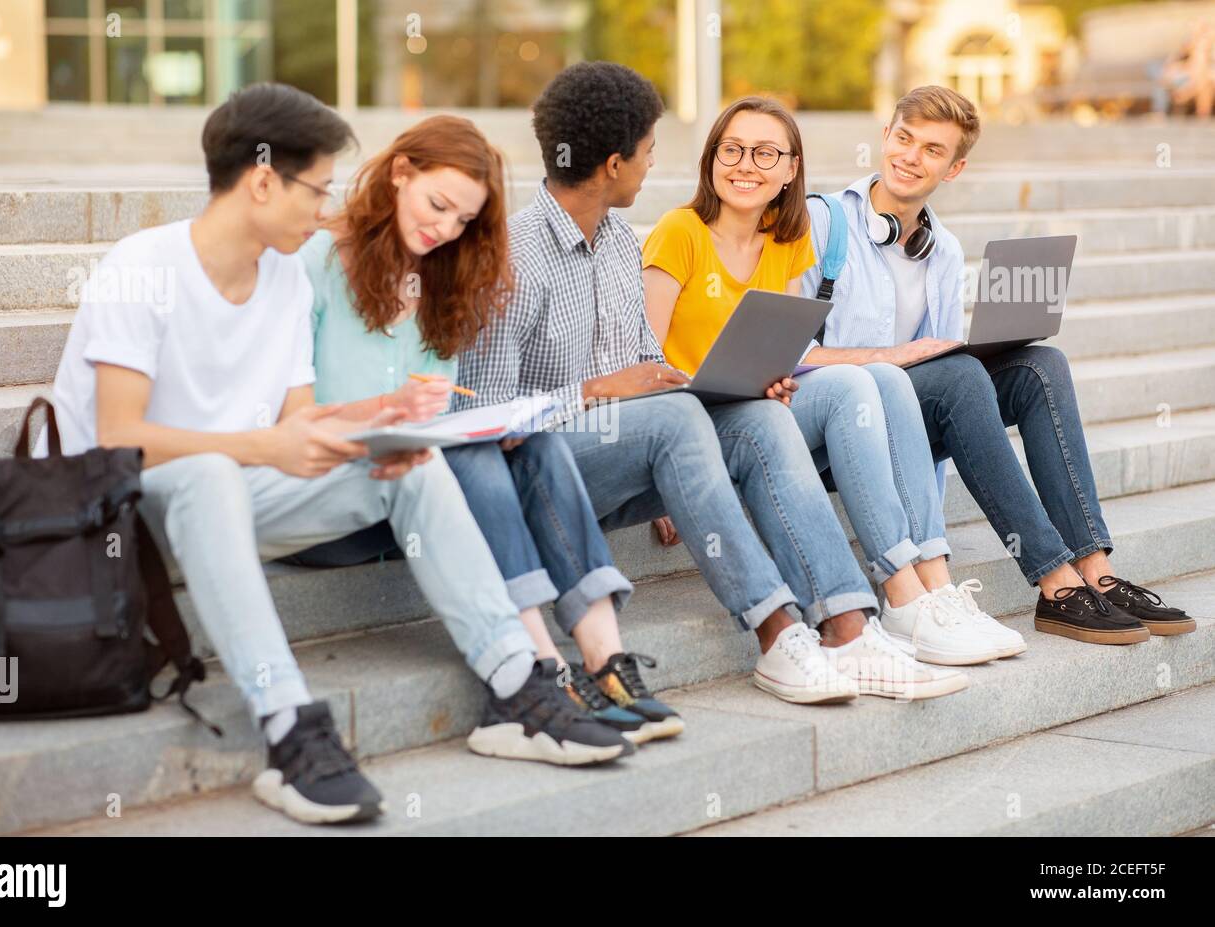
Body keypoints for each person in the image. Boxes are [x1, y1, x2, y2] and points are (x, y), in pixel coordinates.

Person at [46, 84, 630, 828]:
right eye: (316, 187)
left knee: (411, 468)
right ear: (262, 180)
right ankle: (290, 725)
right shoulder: (144, 266)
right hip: (124, 504)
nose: (326, 209)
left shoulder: (285, 275)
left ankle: (516, 685)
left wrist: (380, 426)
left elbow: (300, 421)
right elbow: (115, 440)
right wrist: (265, 446)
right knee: (209, 476)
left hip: (241, 492)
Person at [457, 62, 969, 704]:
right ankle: (777, 631)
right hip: (546, 464)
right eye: (646, 153)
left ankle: (846, 627)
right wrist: (595, 393)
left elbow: (652, 370)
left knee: (759, 416)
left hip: (634, 447)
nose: (652, 166)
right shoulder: (510, 255)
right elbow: (480, 415)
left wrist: (737, 386)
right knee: (679, 420)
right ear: (614, 163)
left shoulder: (619, 241)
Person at [287, 114, 682, 745]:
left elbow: (440, 412)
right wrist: (389, 409)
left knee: (534, 440)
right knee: (471, 460)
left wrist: (486, 423)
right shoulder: (314, 265)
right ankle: (539, 674)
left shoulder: (441, 277)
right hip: (336, 492)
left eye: (463, 221)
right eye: (437, 205)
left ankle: (606, 663)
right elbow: (287, 420)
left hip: (420, 487)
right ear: (399, 174)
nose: (444, 229)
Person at [800, 85, 1196, 644]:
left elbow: (932, 378)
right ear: (885, 136)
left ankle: (1096, 571)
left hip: (904, 419)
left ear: (954, 169)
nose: (911, 157)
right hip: (838, 426)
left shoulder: (944, 250)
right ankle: (1054, 581)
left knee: (1041, 366)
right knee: (958, 375)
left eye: (932, 150)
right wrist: (889, 357)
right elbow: (788, 357)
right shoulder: (821, 223)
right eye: (905, 138)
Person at [642, 96, 1024, 664]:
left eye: (766, 153)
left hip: (759, 408)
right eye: (733, 149)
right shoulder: (679, 231)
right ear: (711, 158)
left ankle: (926, 592)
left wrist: (793, 376)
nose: (746, 164)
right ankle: (900, 592)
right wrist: (663, 473)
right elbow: (641, 358)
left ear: (791, 169)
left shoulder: (789, 241)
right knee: (857, 380)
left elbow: (788, 352)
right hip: (692, 425)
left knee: (883, 380)